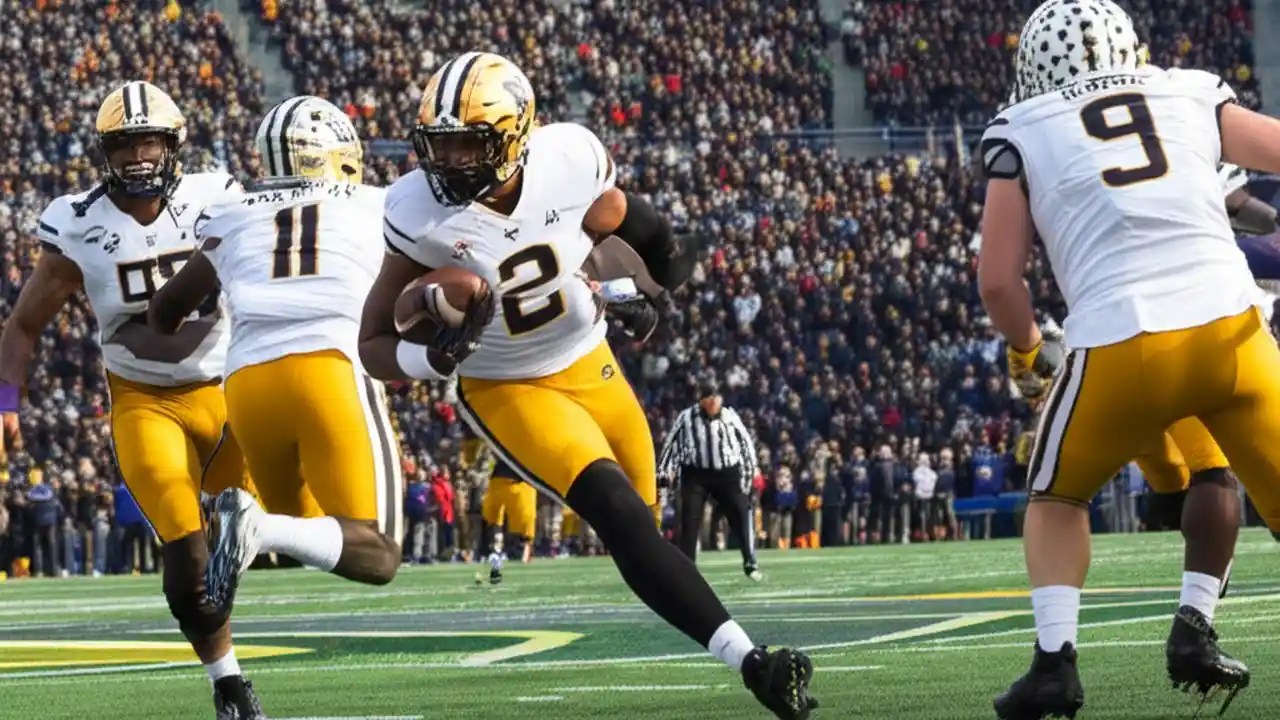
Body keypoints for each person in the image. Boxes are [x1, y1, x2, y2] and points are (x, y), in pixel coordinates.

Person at [358, 52, 816, 719]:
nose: (449, 162)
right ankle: (753, 663)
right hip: (507, 385)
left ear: (515, 135)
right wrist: (440, 358)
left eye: (468, 144)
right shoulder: (417, 211)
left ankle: (705, 628)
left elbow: (632, 227)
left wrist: (648, 291)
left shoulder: (569, 160)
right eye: (440, 144)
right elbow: (373, 344)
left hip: (588, 358)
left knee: (647, 521)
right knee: (619, 514)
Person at [979, 1, 1280, 716]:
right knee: (1226, 478)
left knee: (1057, 496)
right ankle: (1196, 622)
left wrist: (1027, 351)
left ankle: (1055, 664)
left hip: (1121, 341)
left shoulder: (1020, 128)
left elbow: (998, 279)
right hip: (1234, 332)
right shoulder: (1187, 89)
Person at [0, 81, 262, 718]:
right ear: (103, 153)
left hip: (228, 393)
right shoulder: (81, 223)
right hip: (145, 399)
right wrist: (7, 400)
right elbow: (23, 325)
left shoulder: (217, 198)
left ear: (175, 145)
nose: (139, 156)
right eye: (124, 145)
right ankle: (228, 684)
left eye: (150, 141)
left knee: (241, 533)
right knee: (187, 550)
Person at [149, 96, 406, 613]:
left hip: (247, 386)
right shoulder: (379, 203)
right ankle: (256, 524)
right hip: (328, 369)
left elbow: (165, 311)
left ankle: (255, 526)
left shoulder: (232, 213)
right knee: (377, 553)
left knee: (304, 538)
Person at [658, 382, 762, 580]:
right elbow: (670, 451)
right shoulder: (687, 418)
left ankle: (750, 561)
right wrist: (663, 487)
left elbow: (746, 446)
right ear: (701, 400)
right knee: (690, 517)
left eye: (716, 396)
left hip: (727, 475)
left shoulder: (730, 417)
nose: (713, 401)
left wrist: (747, 481)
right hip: (696, 473)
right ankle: (687, 569)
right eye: (709, 397)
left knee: (742, 512)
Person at [480, 460, 536, 585]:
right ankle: (496, 550)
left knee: (522, 520)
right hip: (500, 480)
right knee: (493, 519)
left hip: (519, 480)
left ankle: (519, 549)